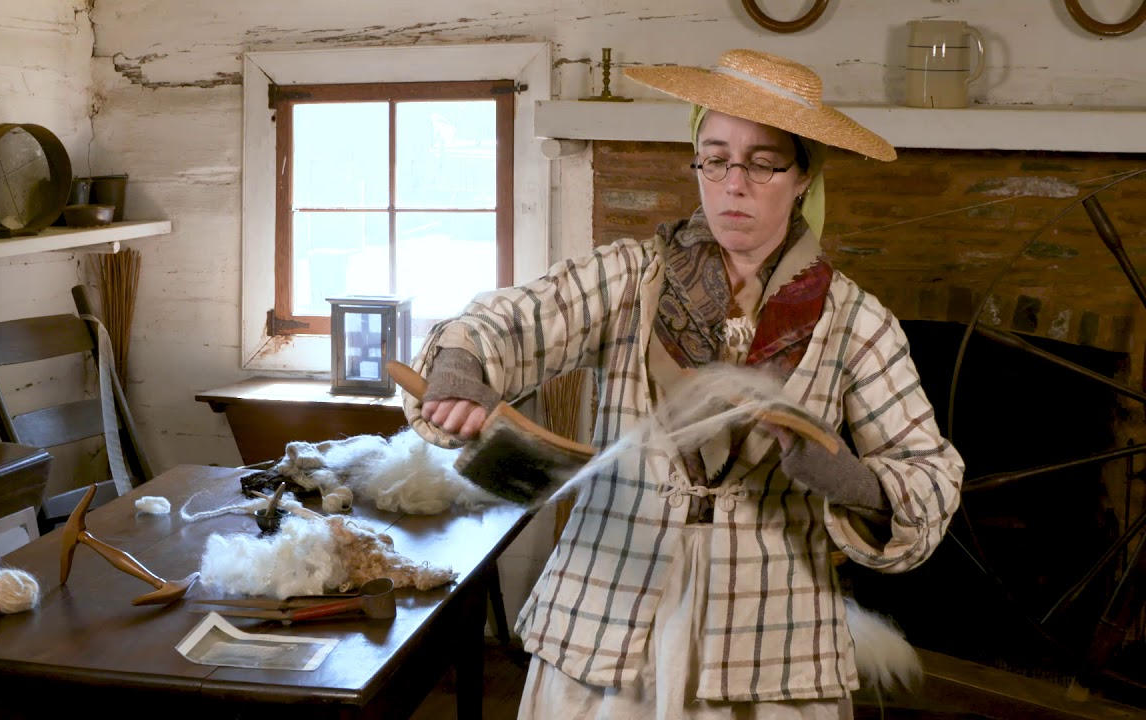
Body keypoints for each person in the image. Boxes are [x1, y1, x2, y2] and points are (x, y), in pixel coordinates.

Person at [401, 48, 964, 719]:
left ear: (804, 174)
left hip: (773, 646)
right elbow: (503, 322)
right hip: (605, 618)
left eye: (762, 162)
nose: (734, 184)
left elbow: (928, 478)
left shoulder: (856, 322)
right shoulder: (629, 277)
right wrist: (462, 367)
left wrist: (851, 480)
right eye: (716, 157)